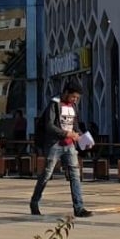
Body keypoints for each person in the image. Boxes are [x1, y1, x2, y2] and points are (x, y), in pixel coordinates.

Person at [30, 82, 91, 218]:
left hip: (70, 145)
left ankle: (79, 208)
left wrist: (83, 139)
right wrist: (66, 133)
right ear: (66, 93)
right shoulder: (55, 104)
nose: (75, 100)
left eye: (77, 98)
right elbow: (49, 126)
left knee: (75, 175)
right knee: (47, 174)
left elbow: (75, 126)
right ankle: (35, 202)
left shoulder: (73, 106)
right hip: (55, 144)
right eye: (73, 97)